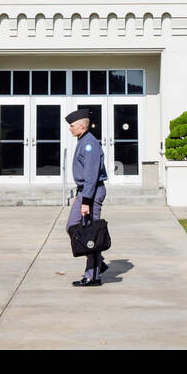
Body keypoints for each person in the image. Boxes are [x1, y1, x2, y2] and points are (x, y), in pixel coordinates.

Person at [65, 107, 108, 287]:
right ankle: (99, 262)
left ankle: (92, 276)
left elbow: (91, 176)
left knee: (89, 234)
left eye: (72, 125)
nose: (70, 128)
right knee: (73, 228)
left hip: (91, 191)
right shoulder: (83, 140)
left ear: (82, 126)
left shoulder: (90, 144)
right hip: (84, 191)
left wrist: (86, 202)